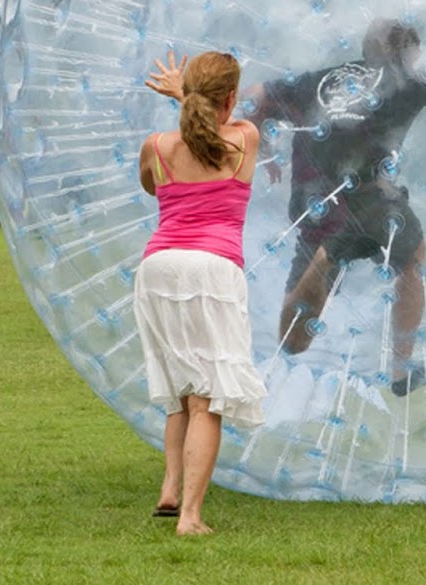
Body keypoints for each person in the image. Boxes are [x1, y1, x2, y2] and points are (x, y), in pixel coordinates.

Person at [234, 19, 426, 396]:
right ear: (408, 55)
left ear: (366, 49)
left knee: (294, 342)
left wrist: (261, 147)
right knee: (412, 260)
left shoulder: (318, 80)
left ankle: (324, 262)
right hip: (374, 201)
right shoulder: (411, 83)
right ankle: (400, 373)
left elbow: (253, 94)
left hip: (317, 208)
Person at [135, 51, 267, 535]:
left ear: (187, 95)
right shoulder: (245, 139)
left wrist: (181, 98)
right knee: (206, 400)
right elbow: (214, 132)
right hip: (211, 270)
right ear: (231, 97)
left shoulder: (157, 146)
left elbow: (153, 188)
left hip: (158, 269)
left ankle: (170, 491)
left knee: (179, 392)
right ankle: (190, 516)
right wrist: (187, 97)